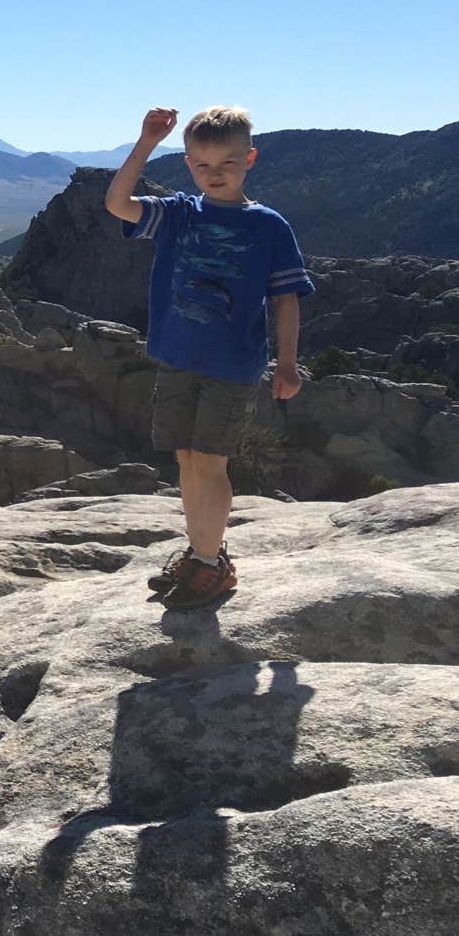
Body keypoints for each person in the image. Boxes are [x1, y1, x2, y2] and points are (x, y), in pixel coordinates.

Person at [104, 106, 312, 609]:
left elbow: (286, 298)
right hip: (176, 357)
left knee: (211, 463)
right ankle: (203, 556)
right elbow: (117, 204)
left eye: (227, 163)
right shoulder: (179, 213)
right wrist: (146, 141)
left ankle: (209, 563)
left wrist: (287, 363)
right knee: (186, 459)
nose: (214, 174)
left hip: (232, 365)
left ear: (250, 159)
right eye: (201, 164)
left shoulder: (269, 227)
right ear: (187, 164)